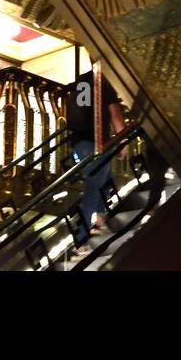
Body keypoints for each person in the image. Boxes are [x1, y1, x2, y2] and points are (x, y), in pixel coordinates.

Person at [65, 66, 125, 249]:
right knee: (94, 185)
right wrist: (123, 143)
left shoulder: (82, 81)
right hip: (96, 143)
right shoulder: (104, 83)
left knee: (105, 177)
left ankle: (100, 218)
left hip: (77, 143)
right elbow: (116, 115)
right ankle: (81, 237)